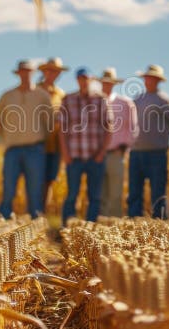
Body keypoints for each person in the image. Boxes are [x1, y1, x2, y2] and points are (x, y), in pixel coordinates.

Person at [0, 60, 52, 218]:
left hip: (35, 150)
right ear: (18, 73)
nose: (25, 74)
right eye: (23, 71)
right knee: (8, 189)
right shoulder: (7, 96)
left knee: (35, 190)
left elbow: (49, 123)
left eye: (28, 71)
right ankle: (4, 221)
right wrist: (9, 137)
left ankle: (35, 226)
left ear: (33, 73)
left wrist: (38, 139)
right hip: (12, 149)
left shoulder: (42, 96)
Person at [58, 68, 112, 224]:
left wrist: (102, 153)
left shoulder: (101, 100)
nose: (84, 81)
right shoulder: (68, 99)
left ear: (92, 80)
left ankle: (91, 229)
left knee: (94, 196)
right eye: (81, 78)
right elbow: (62, 129)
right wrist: (65, 153)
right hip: (74, 157)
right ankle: (67, 227)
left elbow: (109, 127)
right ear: (77, 80)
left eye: (87, 78)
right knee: (72, 195)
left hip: (95, 157)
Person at [127, 64, 169, 219]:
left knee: (158, 191)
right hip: (136, 152)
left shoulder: (165, 100)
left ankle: (160, 223)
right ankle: (134, 222)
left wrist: (160, 138)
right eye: (147, 77)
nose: (149, 80)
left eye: (152, 78)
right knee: (135, 191)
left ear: (158, 80)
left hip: (158, 152)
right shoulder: (137, 100)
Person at [99, 68, 138, 217]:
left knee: (115, 194)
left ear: (114, 84)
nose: (106, 86)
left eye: (109, 83)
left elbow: (133, 129)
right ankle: (100, 227)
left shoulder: (126, 103)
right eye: (104, 83)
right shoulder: (95, 103)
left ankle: (113, 227)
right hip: (98, 155)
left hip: (116, 153)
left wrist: (125, 147)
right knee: (100, 194)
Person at [37, 57, 69, 210]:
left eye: (56, 71)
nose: (53, 74)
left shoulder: (61, 94)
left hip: (55, 144)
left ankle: (42, 212)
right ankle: (32, 212)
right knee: (35, 179)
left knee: (50, 180)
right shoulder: (35, 90)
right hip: (36, 143)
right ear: (44, 71)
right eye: (50, 70)